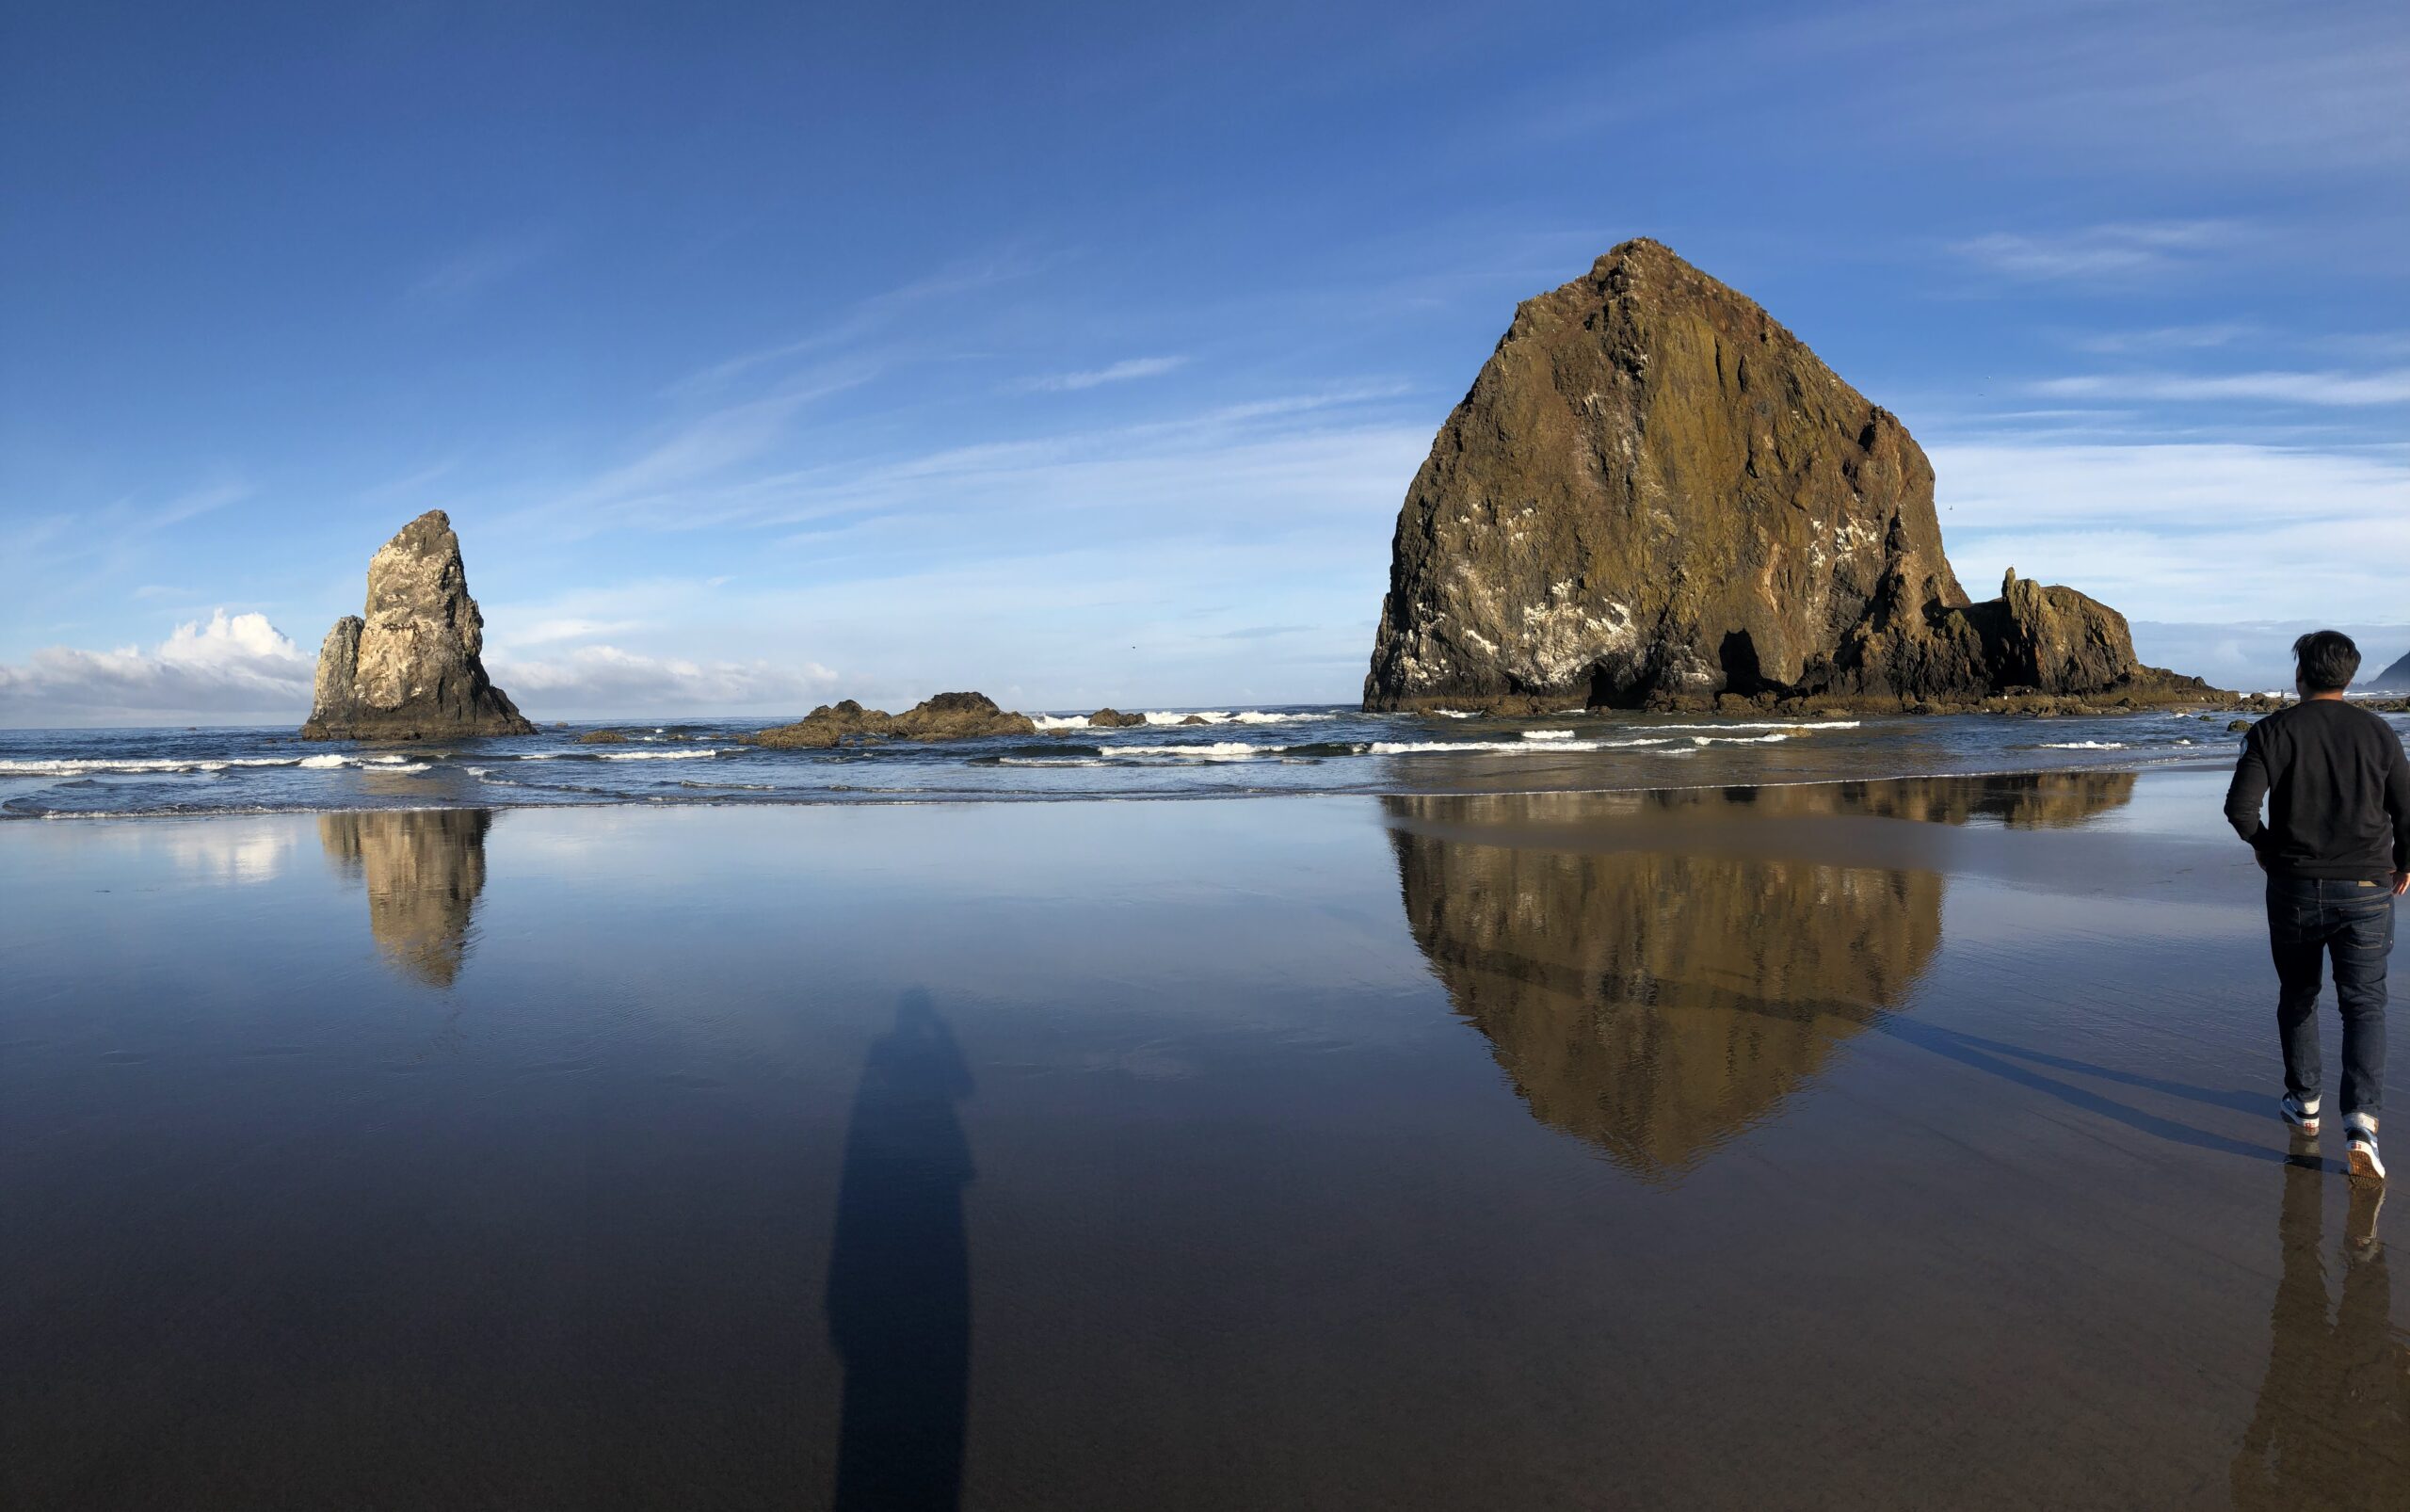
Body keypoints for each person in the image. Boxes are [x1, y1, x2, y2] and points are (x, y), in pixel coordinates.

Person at [2225, 630, 2410, 1182]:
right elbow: (2407, 811)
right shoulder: (2379, 733)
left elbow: (2239, 809)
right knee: (2364, 1004)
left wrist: (2266, 848)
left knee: (2300, 993)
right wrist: (2404, 863)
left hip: (2295, 887)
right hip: (2369, 890)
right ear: (2349, 676)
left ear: (2301, 673)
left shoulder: (2271, 731)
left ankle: (2305, 1105)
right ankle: (2361, 1125)